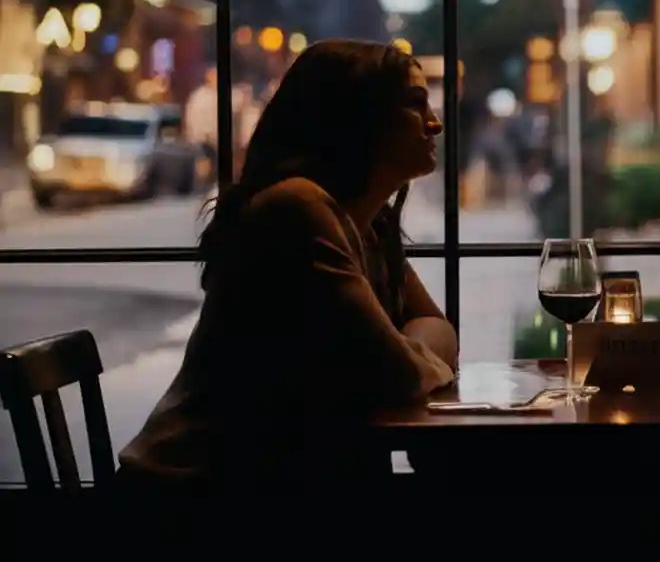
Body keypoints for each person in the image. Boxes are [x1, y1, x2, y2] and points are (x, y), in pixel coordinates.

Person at [118, 40, 455, 494]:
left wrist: (407, 355)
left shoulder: (368, 224)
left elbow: (437, 332)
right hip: (193, 496)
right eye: (415, 104)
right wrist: (413, 358)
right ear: (356, 115)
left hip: (275, 485)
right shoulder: (297, 209)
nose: (434, 123)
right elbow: (398, 375)